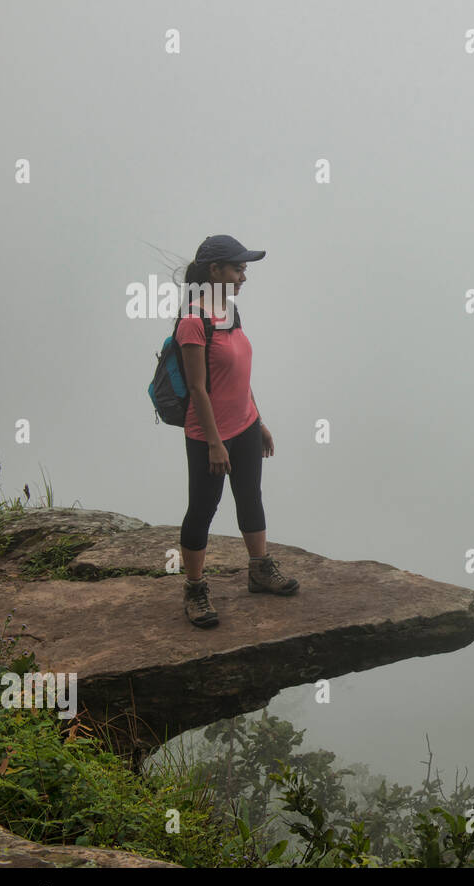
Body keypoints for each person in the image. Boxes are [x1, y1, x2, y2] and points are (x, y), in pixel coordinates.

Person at [176, 234, 298, 628]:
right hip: (208, 434)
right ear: (215, 271)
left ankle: (259, 569)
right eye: (238, 268)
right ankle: (194, 589)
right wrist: (214, 443)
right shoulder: (194, 320)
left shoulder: (229, 312)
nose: (244, 276)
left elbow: (239, 375)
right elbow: (197, 387)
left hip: (244, 426)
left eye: (244, 269)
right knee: (203, 508)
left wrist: (257, 419)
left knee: (250, 495)